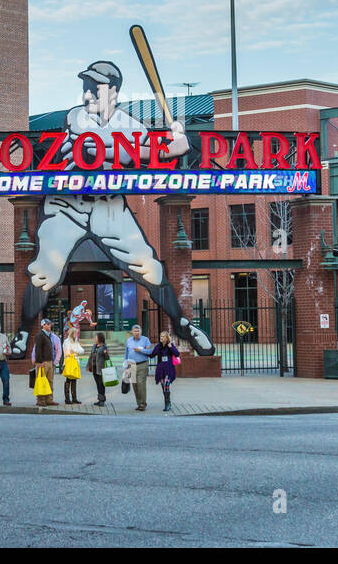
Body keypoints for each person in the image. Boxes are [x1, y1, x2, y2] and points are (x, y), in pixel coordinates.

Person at [21, 61, 214, 357]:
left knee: (149, 267)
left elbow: (152, 151)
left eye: (93, 88)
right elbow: (107, 149)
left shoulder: (131, 125)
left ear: (112, 91)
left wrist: (178, 141)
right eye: (85, 88)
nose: (87, 95)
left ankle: (183, 324)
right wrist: (166, 147)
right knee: (44, 271)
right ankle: (22, 334)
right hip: (66, 205)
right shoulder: (77, 118)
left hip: (109, 205)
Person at [124, 323, 154, 412]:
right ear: (132, 332)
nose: (136, 332)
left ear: (140, 332)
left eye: (138, 331)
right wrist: (126, 366)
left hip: (142, 364)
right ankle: (139, 403)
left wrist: (141, 350)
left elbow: (149, 351)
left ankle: (143, 404)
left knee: (141, 384)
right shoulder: (129, 340)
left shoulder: (145, 340)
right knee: (135, 385)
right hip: (131, 365)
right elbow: (126, 354)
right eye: (135, 331)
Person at [148, 330, 181, 412]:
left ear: (167, 338)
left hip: (169, 368)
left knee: (166, 383)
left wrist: (171, 347)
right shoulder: (158, 346)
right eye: (161, 336)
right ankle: (168, 402)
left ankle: (167, 404)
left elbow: (177, 354)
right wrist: (145, 351)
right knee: (163, 386)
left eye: (163, 336)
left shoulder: (170, 345)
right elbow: (152, 355)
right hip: (160, 368)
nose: (161, 338)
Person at [31, 318, 57, 407]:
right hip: (43, 363)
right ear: (44, 325)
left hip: (49, 362)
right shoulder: (40, 335)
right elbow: (37, 349)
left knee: (50, 381)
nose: (50, 326)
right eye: (48, 324)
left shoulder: (48, 335)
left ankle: (49, 399)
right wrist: (39, 361)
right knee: (41, 381)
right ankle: (41, 400)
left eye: (50, 324)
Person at [61, 325, 84, 405]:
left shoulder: (76, 341)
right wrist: (75, 351)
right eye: (75, 333)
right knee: (68, 380)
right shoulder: (66, 342)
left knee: (74, 380)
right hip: (68, 362)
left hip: (75, 362)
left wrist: (74, 351)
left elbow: (82, 351)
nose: (76, 335)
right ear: (71, 333)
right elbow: (67, 352)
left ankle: (74, 398)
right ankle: (67, 399)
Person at [86, 331, 110, 406]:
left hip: (101, 369)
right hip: (94, 368)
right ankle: (99, 399)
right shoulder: (94, 346)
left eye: (96, 337)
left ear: (100, 338)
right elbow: (91, 356)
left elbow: (107, 358)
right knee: (97, 384)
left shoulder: (104, 347)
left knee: (101, 384)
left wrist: (106, 353)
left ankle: (102, 400)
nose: (95, 339)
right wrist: (88, 366)